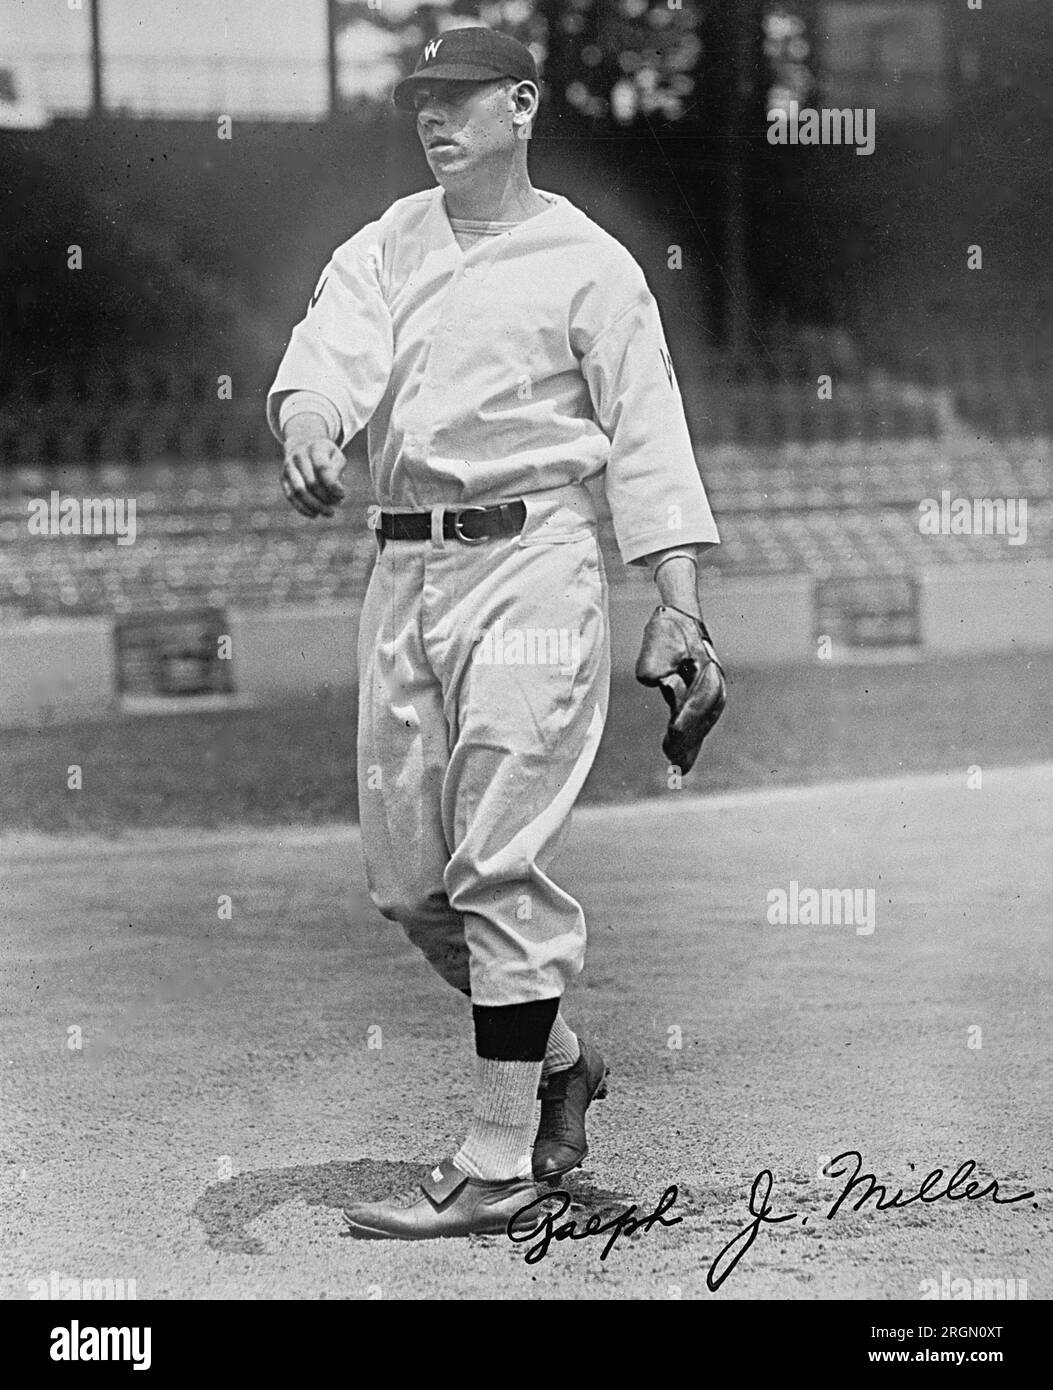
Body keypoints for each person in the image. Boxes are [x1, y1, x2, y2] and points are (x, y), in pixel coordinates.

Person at [268, 27, 722, 1240]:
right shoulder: (385, 245)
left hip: (534, 563)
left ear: (521, 103)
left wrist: (677, 600)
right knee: (412, 888)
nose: (433, 115)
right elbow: (326, 362)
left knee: (495, 864)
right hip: (403, 566)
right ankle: (559, 1060)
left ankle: (498, 1151)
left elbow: (647, 438)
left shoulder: (591, 263)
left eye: (458, 94)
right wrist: (310, 425)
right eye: (419, 97)